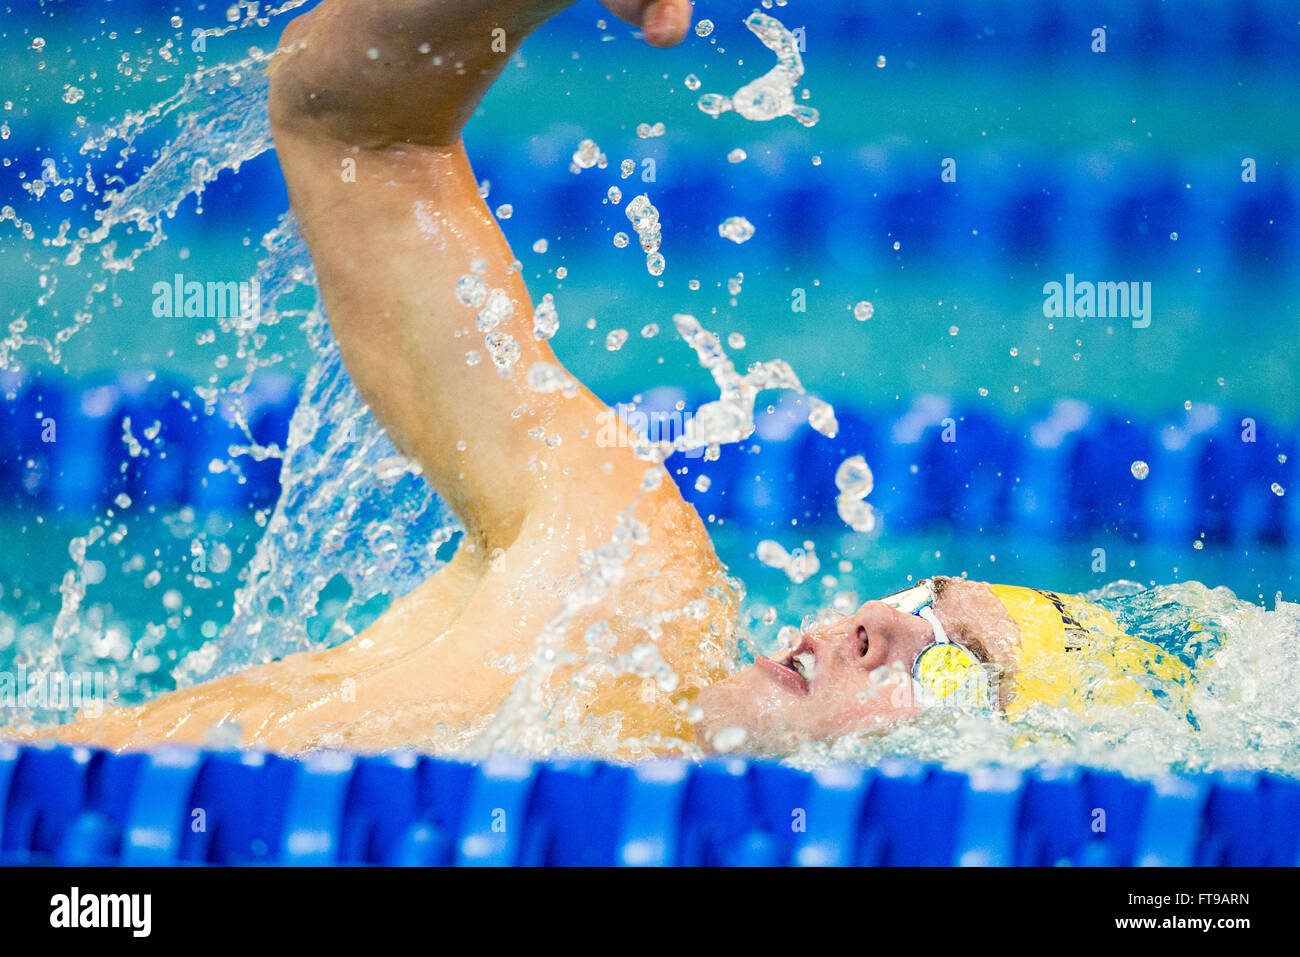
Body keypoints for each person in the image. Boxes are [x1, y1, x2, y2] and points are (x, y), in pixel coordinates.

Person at [24, 0, 1202, 756]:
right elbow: (353, 131)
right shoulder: (615, 588)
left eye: (944, 668)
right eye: (909, 604)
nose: (864, 629)